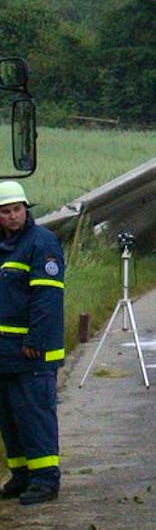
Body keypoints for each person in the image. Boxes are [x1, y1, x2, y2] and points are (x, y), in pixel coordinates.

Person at [0, 181, 65, 505]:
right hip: (5, 353)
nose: (11, 217)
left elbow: (47, 298)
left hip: (32, 353)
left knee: (35, 416)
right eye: (5, 212)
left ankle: (45, 479)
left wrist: (35, 340)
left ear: (26, 210)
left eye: (16, 210)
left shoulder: (42, 243)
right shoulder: (3, 247)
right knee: (10, 419)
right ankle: (22, 474)